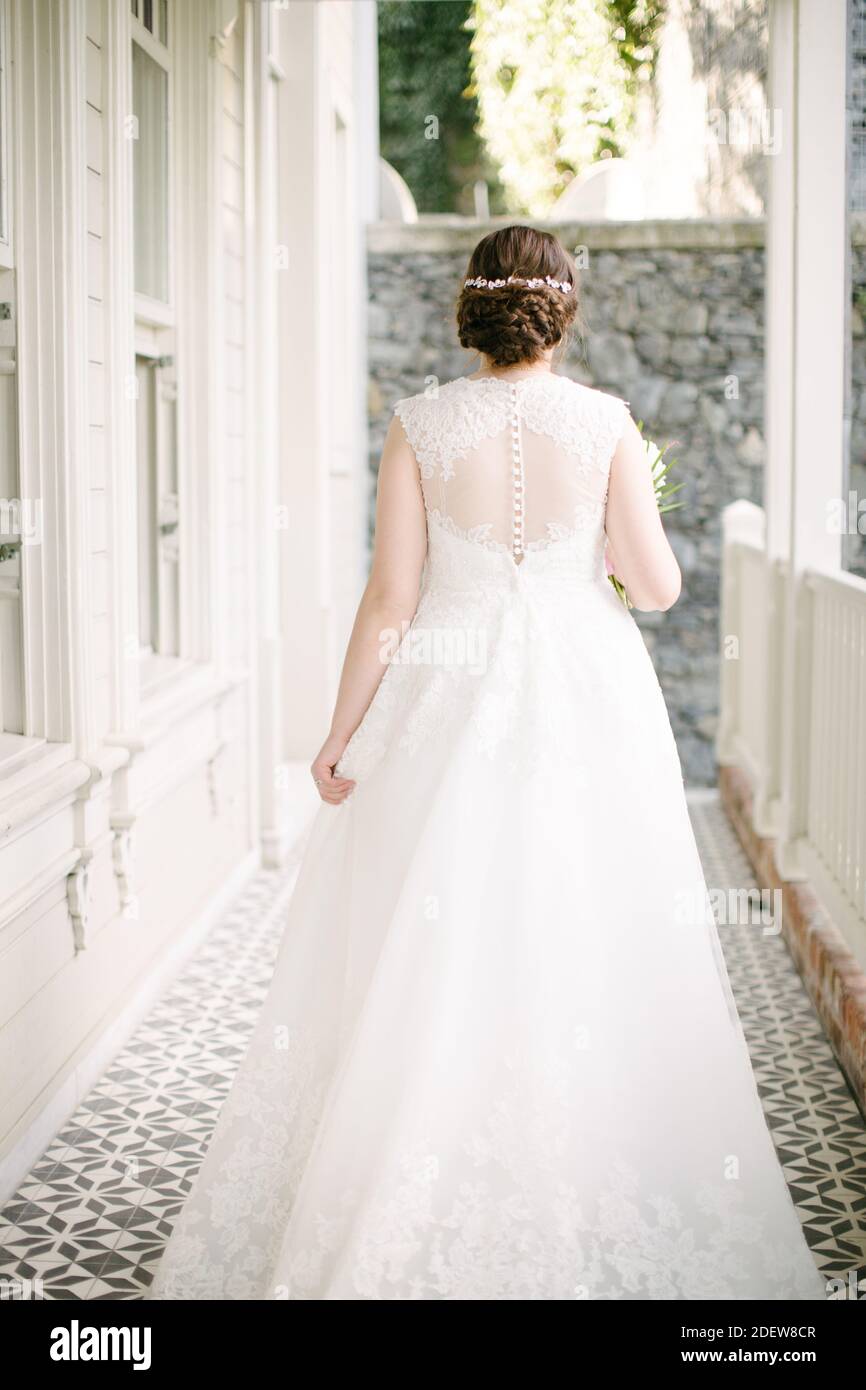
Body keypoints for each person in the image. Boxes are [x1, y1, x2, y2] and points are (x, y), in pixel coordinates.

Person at [149, 226, 824, 1301]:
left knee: (435, 925)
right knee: (584, 920)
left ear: (471, 309)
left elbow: (391, 597)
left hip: (444, 692)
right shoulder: (604, 422)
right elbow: (656, 589)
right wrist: (606, 557)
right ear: (562, 310)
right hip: (589, 696)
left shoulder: (419, 424)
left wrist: (338, 733)